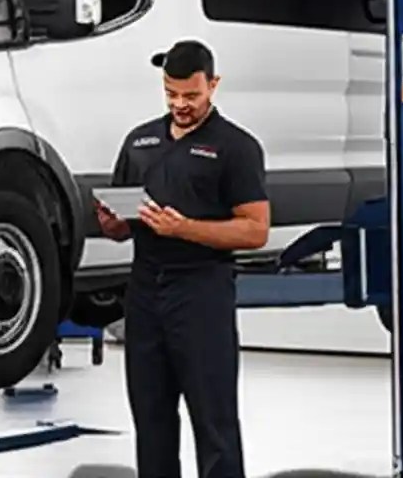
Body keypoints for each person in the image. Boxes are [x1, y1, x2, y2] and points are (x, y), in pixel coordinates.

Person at [96, 39, 271, 478]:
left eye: (191, 95)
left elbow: (255, 229)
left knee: (214, 422)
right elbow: (120, 227)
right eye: (171, 94)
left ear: (213, 85)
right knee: (151, 420)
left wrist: (185, 228)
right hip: (145, 292)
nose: (180, 105)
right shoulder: (140, 141)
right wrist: (112, 223)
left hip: (202, 292)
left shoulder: (236, 148)